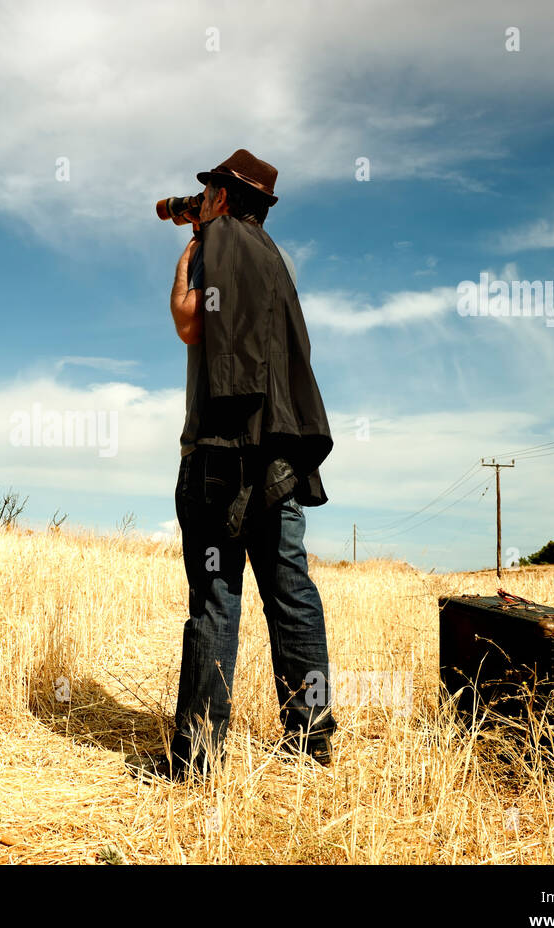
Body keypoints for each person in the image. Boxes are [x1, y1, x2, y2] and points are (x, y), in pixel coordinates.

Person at [131, 149, 337, 782]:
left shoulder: (215, 240)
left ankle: (195, 760)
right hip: (281, 452)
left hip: (223, 454)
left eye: (208, 191)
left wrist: (188, 251)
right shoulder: (276, 260)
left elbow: (190, 324)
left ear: (221, 196)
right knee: (293, 594)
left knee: (216, 597)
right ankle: (312, 739)